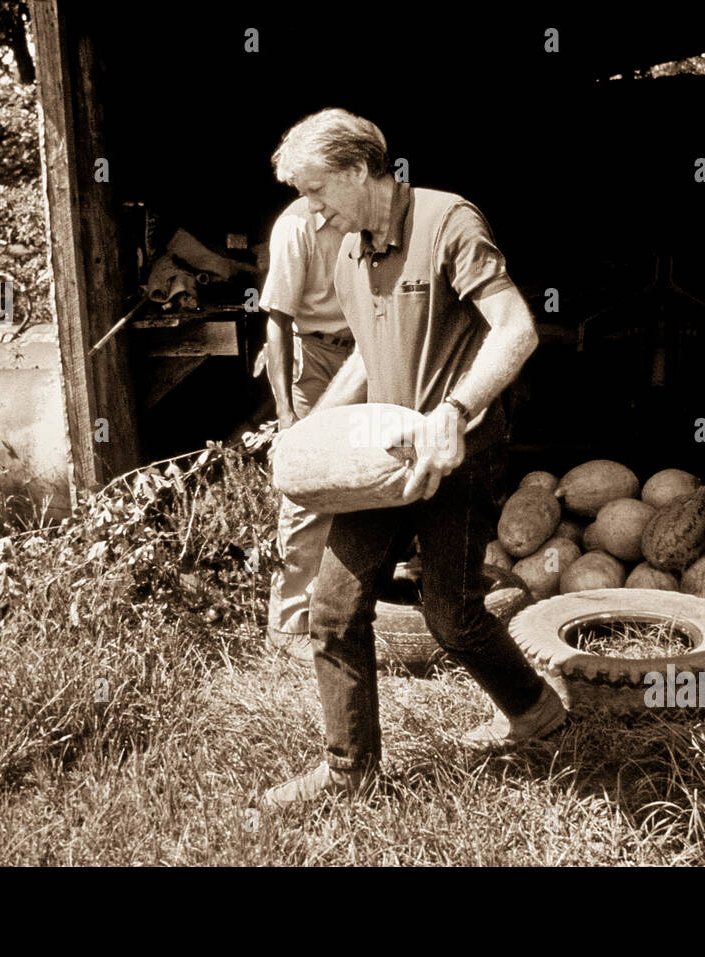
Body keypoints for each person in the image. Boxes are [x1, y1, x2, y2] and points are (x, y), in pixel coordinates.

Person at [261, 108, 566, 809]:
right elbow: (369, 358)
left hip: (462, 454)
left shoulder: (449, 221)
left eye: (316, 191)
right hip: (389, 462)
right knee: (333, 606)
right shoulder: (347, 252)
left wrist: (454, 413)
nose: (312, 211)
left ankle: (538, 717)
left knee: (452, 616)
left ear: (360, 170)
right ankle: (350, 774)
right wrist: (310, 431)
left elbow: (516, 331)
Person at [258, 196, 354, 665]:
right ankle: (290, 620)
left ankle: (357, 598)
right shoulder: (296, 226)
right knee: (309, 484)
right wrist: (286, 415)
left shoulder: (371, 212)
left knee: (380, 464)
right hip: (314, 354)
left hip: (367, 349)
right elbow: (277, 320)